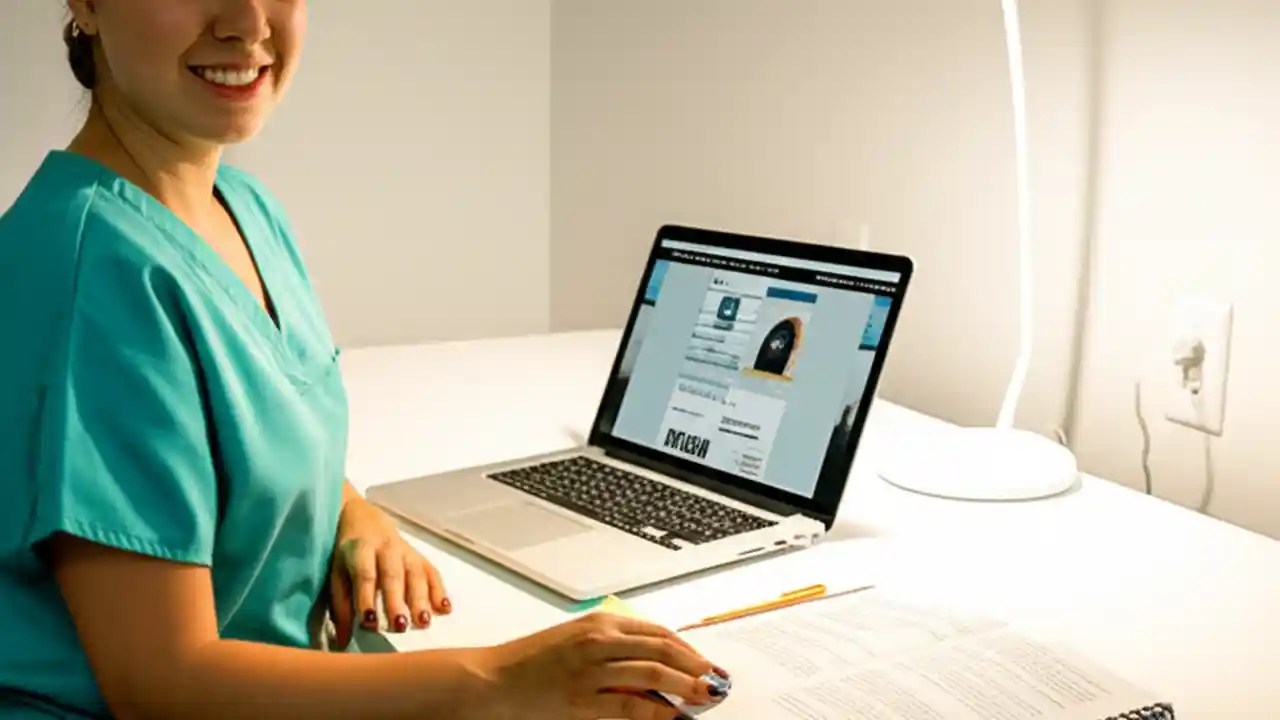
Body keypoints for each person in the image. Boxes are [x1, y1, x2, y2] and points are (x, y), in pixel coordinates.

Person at [0, 1, 726, 718]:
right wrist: (500, 678)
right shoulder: (92, 273)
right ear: (86, 5)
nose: (248, 22)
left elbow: (241, 434)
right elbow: (162, 685)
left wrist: (354, 514)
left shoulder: (241, 206)